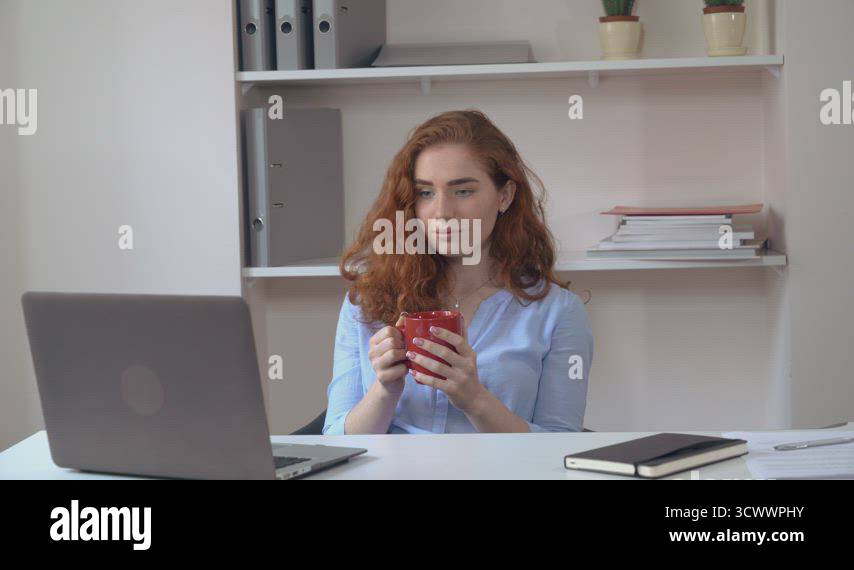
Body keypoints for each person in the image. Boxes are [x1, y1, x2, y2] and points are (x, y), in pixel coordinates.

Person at [323, 110, 593, 435]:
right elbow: (336, 438)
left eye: (462, 191)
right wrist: (384, 391)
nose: (442, 212)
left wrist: (475, 400)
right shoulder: (366, 302)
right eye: (425, 193)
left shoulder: (558, 312)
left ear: (505, 196)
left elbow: (560, 445)